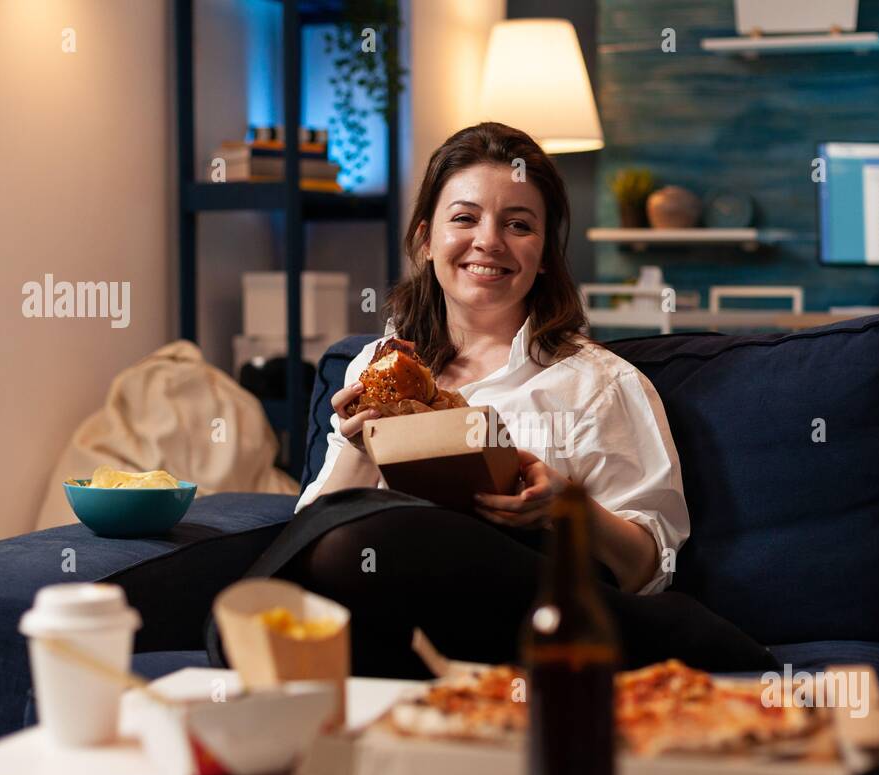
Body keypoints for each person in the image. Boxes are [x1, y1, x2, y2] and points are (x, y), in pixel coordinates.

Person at [208, 122, 773, 679]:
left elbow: (650, 567)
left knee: (362, 538)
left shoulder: (598, 383)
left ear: (545, 253)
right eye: (464, 218)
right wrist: (360, 446)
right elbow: (309, 534)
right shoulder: (377, 366)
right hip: (396, 608)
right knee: (250, 567)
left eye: (518, 224)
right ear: (426, 240)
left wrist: (565, 507)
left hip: (539, 598)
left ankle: (675, 636)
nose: (488, 241)